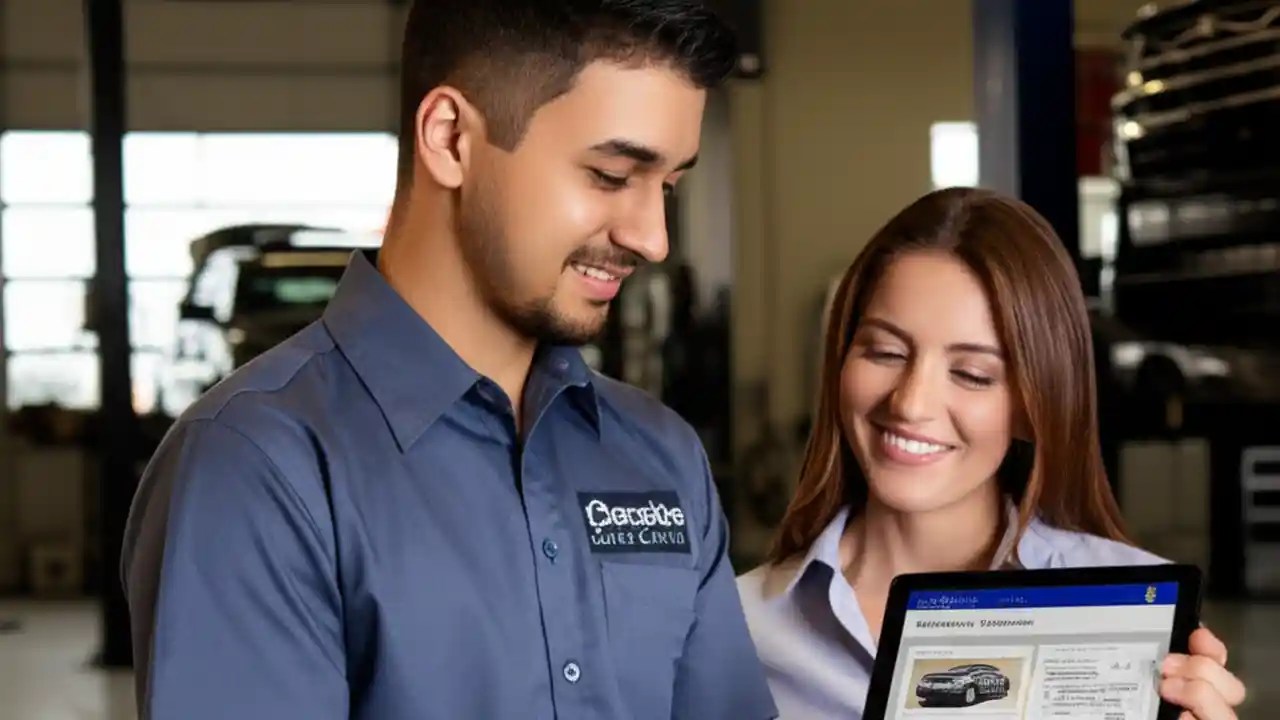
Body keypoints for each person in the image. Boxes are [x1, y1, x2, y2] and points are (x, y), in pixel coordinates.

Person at [121, 2, 777, 718]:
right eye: (613, 176)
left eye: (670, 186)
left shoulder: (661, 455)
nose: (653, 239)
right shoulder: (255, 469)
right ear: (451, 138)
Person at [736, 187, 1247, 719]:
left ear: (1033, 403)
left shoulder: (1135, 616)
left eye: (972, 374)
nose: (911, 403)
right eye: (886, 352)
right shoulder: (735, 625)